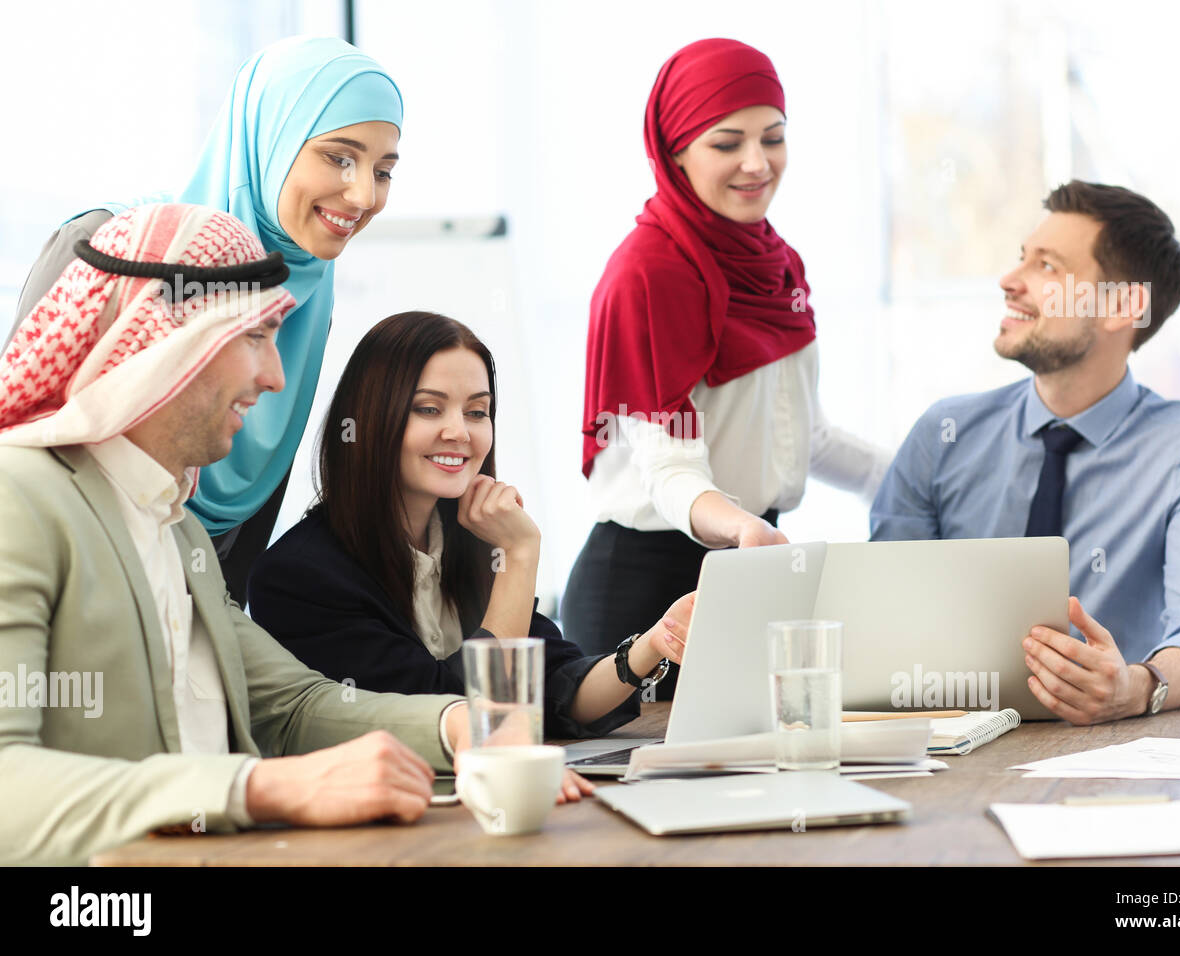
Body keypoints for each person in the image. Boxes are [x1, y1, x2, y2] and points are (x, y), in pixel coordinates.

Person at [0, 204, 473, 867]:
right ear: (167, 342)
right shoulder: (18, 499)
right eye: (255, 337)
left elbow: (294, 707)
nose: (276, 377)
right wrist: (257, 787)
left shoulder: (178, 528)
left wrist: (462, 728)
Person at [8, 35, 402, 607]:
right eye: (338, 157)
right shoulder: (111, 249)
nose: (363, 193)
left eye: (384, 170)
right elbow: (19, 439)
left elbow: (235, 560)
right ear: (268, 140)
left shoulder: (310, 288)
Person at [247, 311, 694, 800]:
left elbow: (557, 687)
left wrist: (653, 644)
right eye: (429, 409)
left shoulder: (471, 541)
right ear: (371, 418)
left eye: (477, 412)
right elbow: (467, 716)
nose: (460, 432)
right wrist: (520, 557)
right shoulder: (298, 576)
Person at [563, 38, 891, 693]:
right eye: (726, 142)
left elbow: (806, 437)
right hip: (647, 585)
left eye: (773, 138)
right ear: (676, 148)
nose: (756, 163)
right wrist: (745, 526)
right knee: (649, 791)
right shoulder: (649, 273)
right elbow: (671, 468)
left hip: (749, 564)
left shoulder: (775, 262)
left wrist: (916, 479)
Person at [870, 181, 1180, 725]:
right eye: (1021, 259)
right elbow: (879, 610)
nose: (1008, 281)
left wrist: (1136, 687)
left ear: (1121, 308)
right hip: (946, 750)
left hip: (1113, 754)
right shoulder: (943, 434)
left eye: (1047, 268)